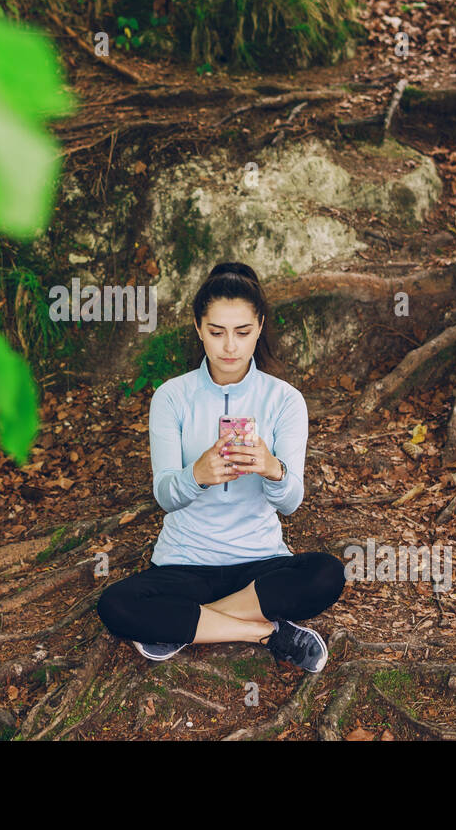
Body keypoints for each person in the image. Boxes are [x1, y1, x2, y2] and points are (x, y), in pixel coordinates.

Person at [97, 261, 346, 672]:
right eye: (216, 332)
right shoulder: (171, 397)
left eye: (242, 332)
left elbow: (291, 504)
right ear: (198, 328)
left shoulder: (284, 400)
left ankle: (186, 622)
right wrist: (195, 476)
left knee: (327, 574)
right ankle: (265, 632)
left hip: (260, 562)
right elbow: (164, 495)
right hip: (184, 562)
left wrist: (273, 470)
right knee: (115, 605)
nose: (229, 346)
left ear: (260, 327)